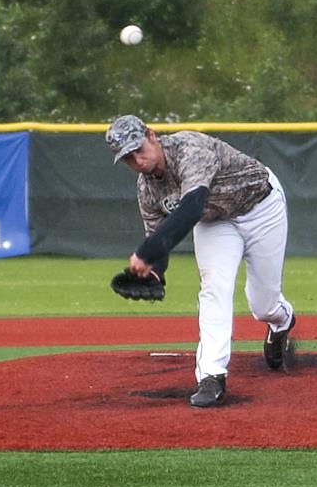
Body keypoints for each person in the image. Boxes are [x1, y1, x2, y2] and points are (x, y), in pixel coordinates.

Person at [106, 114, 296, 408]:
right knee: (214, 287)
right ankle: (211, 375)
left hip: (261, 207)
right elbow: (158, 235)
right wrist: (155, 272)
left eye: (139, 149)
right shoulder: (147, 189)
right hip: (216, 222)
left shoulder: (189, 149)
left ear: (153, 136)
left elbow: (191, 207)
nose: (138, 161)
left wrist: (146, 251)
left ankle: (282, 321)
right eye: (128, 158)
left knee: (263, 304)